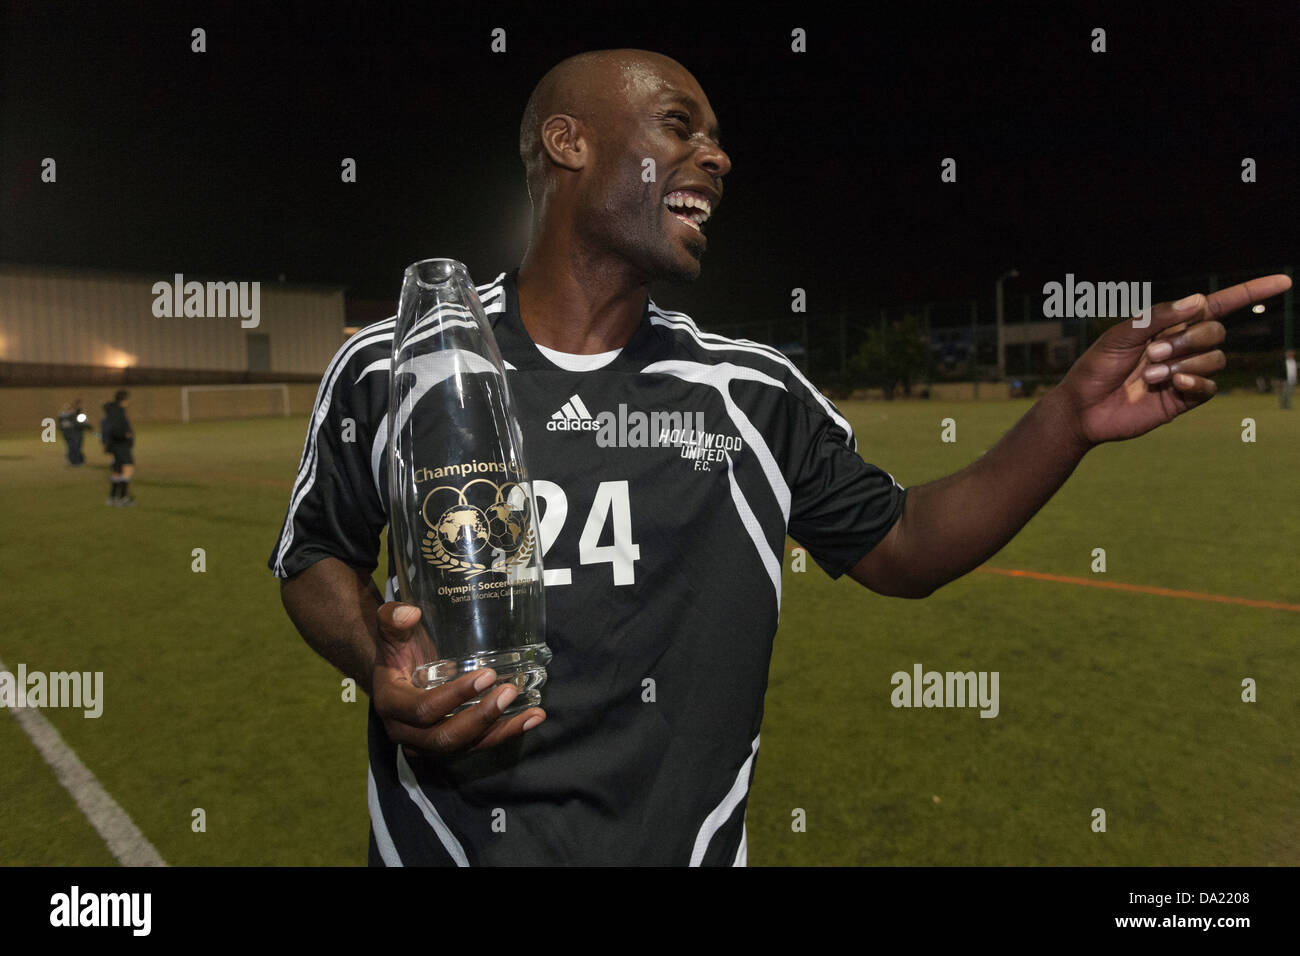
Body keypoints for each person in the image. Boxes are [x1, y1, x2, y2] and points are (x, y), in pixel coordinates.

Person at [269, 49, 1290, 866]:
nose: (715, 156)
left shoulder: (750, 389)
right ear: (567, 141)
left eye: (717, 138)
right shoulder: (399, 362)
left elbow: (906, 543)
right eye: (680, 125)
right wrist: (376, 656)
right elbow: (314, 553)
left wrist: (1067, 414)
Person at [102, 390, 136, 506]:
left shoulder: (111, 410)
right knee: (128, 468)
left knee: (117, 471)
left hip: (114, 445)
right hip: (120, 445)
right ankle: (123, 497)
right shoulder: (118, 411)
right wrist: (126, 434)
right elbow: (116, 429)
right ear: (124, 399)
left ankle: (112, 498)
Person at [56, 397, 92, 466]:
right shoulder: (70, 416)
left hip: (69, 434)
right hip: (73, 434)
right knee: (74, 447)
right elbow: (78, 424)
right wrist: (88, 427)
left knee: (74, 447)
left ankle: (77, 460)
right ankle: (75, 461)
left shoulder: (62, 416)